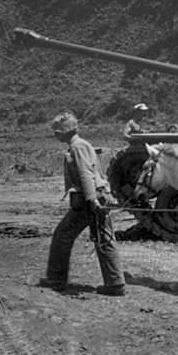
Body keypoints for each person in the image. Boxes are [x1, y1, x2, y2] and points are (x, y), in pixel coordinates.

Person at [39, 112, 126, 296]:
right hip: (97, 196)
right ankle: (115, 282)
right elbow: (98, 174)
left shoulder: (77, 147)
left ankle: (57, 279)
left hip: (87, 201)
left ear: (65, 131)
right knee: (104, 238)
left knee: (62, 236)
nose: (55, 134)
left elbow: (86, 173)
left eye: (57, 131)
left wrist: (91, 199)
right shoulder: (83, 144)